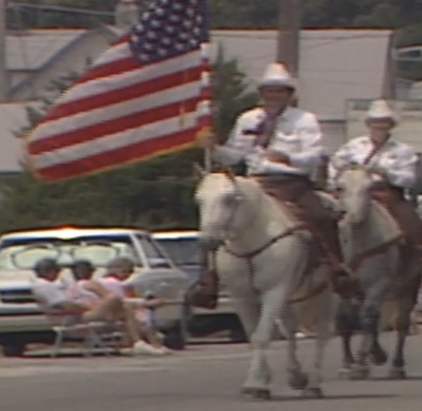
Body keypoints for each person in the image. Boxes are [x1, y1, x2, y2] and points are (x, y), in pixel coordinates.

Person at [197, 63, 355, 304]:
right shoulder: (248, 118)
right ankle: (209, 279)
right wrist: (214, 147)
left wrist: (288, 157)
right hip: (255, 181)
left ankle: (337, 267)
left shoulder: (304, 120)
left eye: (279, 91)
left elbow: (314, 156)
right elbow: (234, 155)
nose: (273, 96)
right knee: (217, 214)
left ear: (289, 94)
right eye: (268, 91)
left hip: (291, 182)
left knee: (320, 215)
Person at [329, 98, 422, 284]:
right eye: (375, 122)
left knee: (413, 222)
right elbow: (335, 166)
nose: (379, 126)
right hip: (353, 191)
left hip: (387, 194)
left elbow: (409, 178)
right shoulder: (353, 146)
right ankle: (329, 260)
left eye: (384, 122)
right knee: (329, 218)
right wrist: (337, 182)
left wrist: (387, 174)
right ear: (368, 125)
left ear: (391, 125)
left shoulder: (403, 150)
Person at [30, 258, 166, 356]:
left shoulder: (66, 285)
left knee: (125, 309)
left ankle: (137, 343)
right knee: (115, 299)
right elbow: (66, 305)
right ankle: (142, 343)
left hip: (74, 317)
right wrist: (88, 307)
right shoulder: (45, 286)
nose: (59, 274)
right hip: (74, 319)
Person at [97, 257, 172, 353]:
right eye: (126, 272)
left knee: (139, 313)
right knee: (141, 315)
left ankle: (149, 343)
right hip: (111, 313)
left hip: (109, 311)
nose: (128, 275)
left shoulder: (103, 282)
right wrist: (146, 303)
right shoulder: (113, 283)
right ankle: (153, 344)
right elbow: (121, 301)